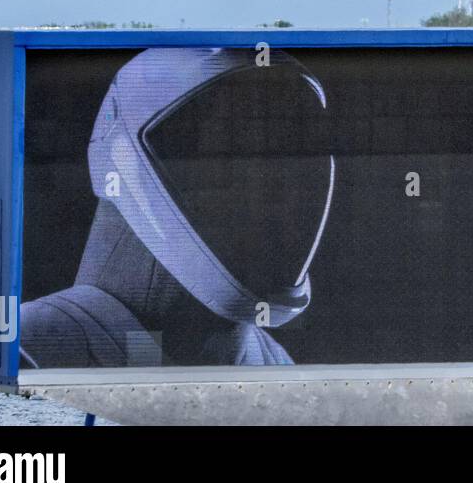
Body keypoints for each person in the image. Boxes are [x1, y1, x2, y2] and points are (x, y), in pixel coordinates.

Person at [20, 47, 335, 368]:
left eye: (287, 158)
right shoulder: (36, 340)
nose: (273, 189)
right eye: (232, 154)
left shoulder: (273, 362)